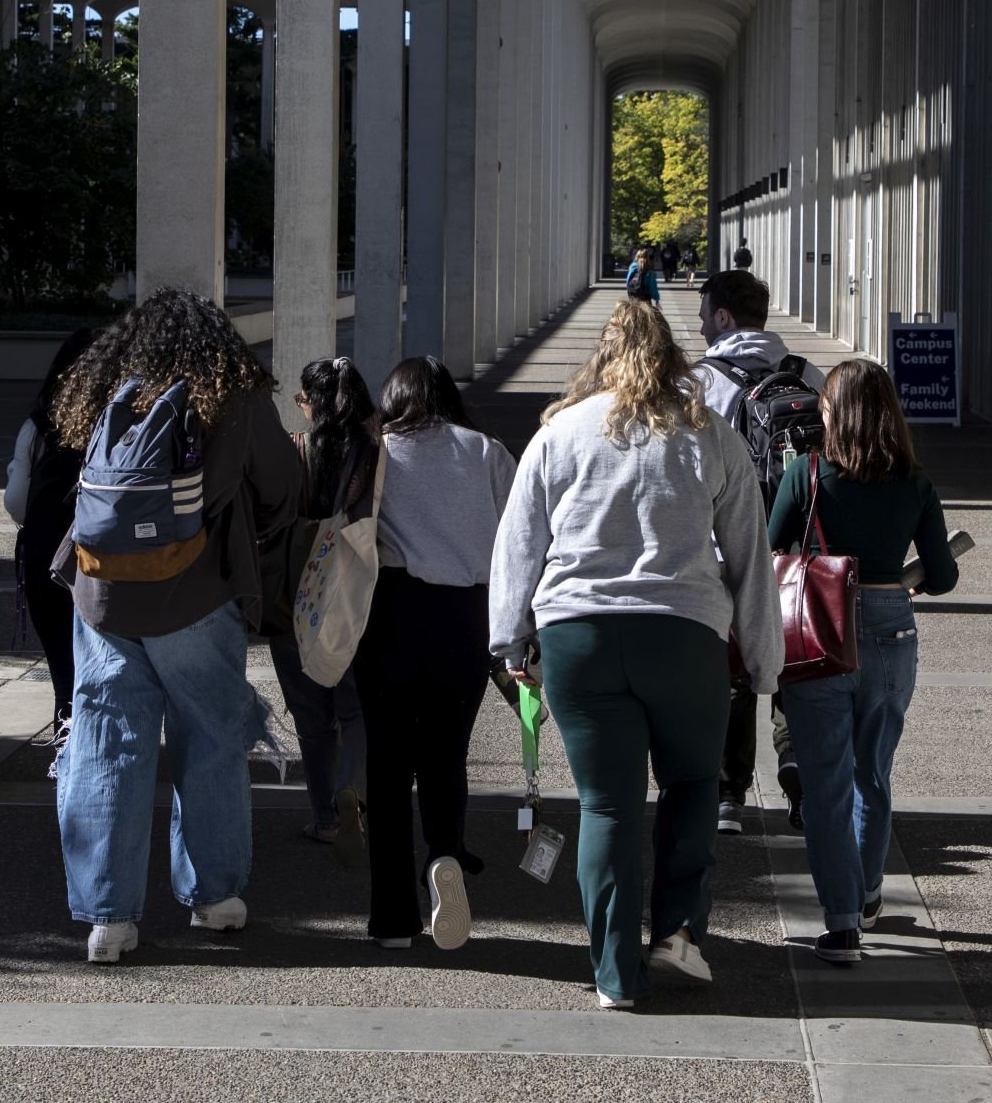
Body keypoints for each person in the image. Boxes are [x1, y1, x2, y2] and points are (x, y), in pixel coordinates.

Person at [491, 297, 781, 1010]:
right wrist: (764, 660)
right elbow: (751, 555)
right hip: (684, 633)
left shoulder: (560, 432)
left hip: (579, 637)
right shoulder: (709, 434)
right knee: (693, 784)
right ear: (673, 358)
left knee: (607, 806)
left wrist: (509, 639)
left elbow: (518, 544)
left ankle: (615, 975)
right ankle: (677, 931)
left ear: (603, 355)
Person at [51, 289, 302, 962]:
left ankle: (108, 920)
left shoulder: (108, 388)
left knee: (108, 743)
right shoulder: (233, 394)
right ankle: (214, 896)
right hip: (196, 593)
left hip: (102, 595)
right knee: (211, 738)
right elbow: (281, 486)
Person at [769, 359, 955, 966]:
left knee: (826, 783)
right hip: (891, 629)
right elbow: (943, 576)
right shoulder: (915, 483)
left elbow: (771, 547)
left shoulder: (807, 474)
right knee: (873, 773)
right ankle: (870, 892)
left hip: (821, 633)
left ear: (835, 411)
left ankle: (843, 924)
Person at [353, 356, 516, 950]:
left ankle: (393, 921)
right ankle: (445, 852)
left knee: (388, 765)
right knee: (447, 752)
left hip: (389, 610)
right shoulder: (486, 452)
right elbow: (517, 540)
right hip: (464, 615)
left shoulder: (376, 451)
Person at [693, 270, 824, 833]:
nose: (701, 326)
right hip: (797, 546)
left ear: (724, 317)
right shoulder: (805, 374)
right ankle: (795, 758)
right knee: (794, 650)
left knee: (734, 665)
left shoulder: (701, 383)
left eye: (705, 315)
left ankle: (729, 795)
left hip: (727, 544)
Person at [277, 356, 374, 852]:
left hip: (295, 598)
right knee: (355, 708)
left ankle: (326, 819)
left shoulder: (291, 451)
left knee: (312, 720)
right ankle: (352, 788)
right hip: (354, 595)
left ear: (313, 403)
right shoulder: (374, 455)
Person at [3, 327, 98, 771]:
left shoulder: (38, 426)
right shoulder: (125, 422)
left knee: (64, 670)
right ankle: (103, 757)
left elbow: (16, 502)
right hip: (106, 564)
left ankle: (70, 757)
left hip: (46, 560)